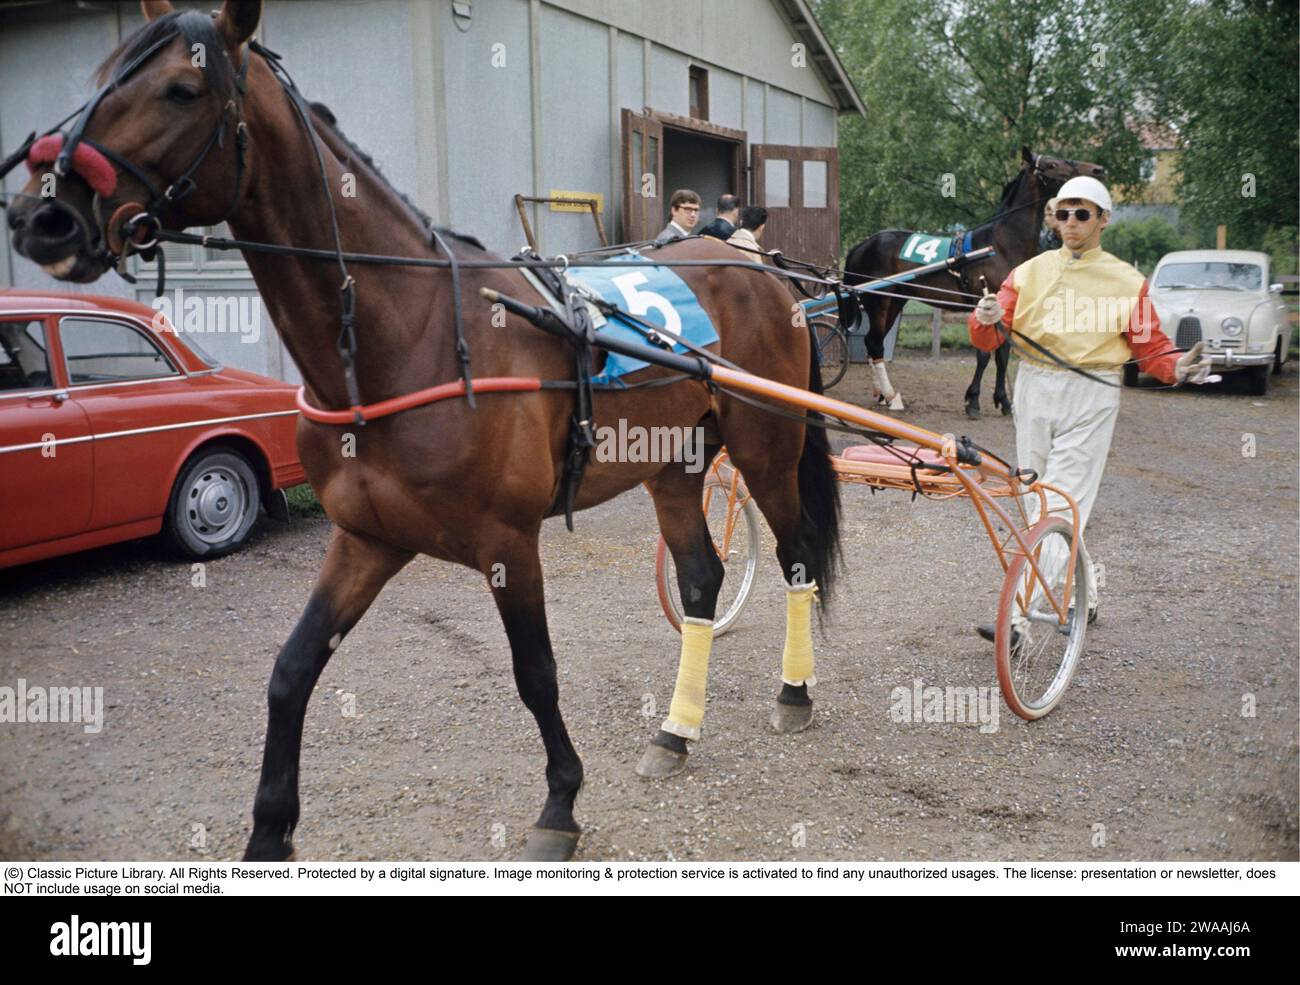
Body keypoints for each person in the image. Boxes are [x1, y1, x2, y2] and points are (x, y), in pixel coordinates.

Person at [968, 175, 1213, 644]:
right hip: (1035, 387)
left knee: (1060, 503)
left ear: (1104, 220)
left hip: (1093, 392)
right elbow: (991, 336)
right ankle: (1086, 590)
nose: (1072, 222)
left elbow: (1152, 347)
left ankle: (1017, 616)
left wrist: (1179, 366)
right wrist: (983, 320)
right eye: (1063, 213)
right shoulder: (1028, 273)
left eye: (1083, 214)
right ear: (1053, 218)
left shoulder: (1127, 281)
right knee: (1036, 498)